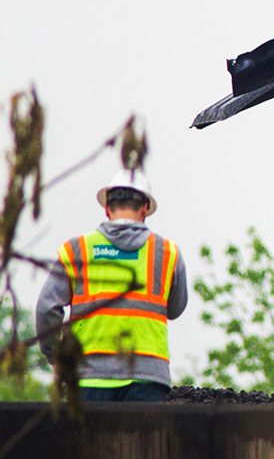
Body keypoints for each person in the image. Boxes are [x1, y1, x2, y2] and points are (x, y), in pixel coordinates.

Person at [37, 168, 188, 401]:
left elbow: (46, 309)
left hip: (89, 376)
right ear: (145, 208)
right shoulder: (168, 253)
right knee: (144, 439)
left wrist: (54, 356)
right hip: (148, 379)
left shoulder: (76, 250)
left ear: (107, 208)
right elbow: (176, 309)